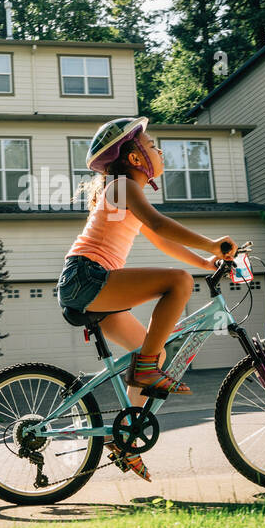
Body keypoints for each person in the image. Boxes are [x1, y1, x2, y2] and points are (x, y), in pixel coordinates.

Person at [57, 116, 234, 481]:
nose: (159, 150)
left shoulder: (126, 192)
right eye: (153, 145)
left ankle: (125, 442)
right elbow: (159, 225)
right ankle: (147, 369)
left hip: (89, 285)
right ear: (136, 158)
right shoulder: (121, 186)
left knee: (153, 350)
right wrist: (213, 243)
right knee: (178, 283)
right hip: (86, 278)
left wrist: (206, 260)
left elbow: (162, 240)